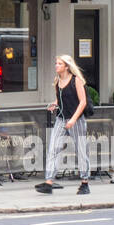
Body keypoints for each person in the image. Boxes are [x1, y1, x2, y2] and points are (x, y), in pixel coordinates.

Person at [36, 55, 91, 195]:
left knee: (81, 150)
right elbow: (61, 97)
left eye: (59, 64)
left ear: (66, 66)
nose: (56, 66)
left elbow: (83, 102)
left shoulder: (76, 80)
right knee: (53, 148)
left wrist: (73, 119)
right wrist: (55, 103)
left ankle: (85, 182)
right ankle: (49, 182)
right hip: (61, 119)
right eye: (56, 63)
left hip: (76, 120)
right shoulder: (57, 80)